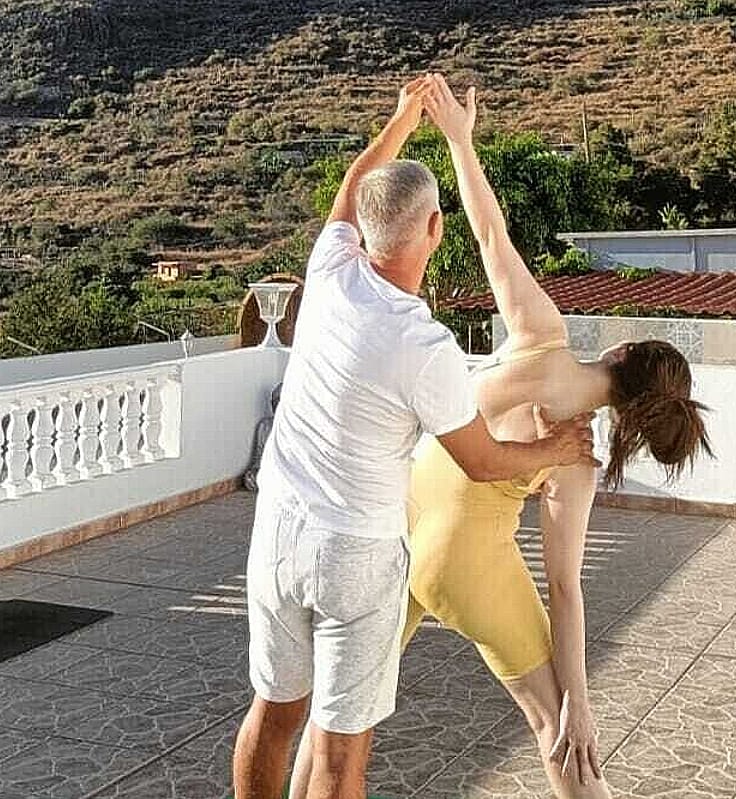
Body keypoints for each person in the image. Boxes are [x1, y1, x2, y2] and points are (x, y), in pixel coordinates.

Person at [292, 74, 711, 798]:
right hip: (465, 560)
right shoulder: (574, 459)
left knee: (333, 720)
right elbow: (564, 589)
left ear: (621, 350)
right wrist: (579, 699)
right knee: (553, 725)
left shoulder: (540, 335)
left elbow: (489, 232)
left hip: (403, 519)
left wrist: (460, 139)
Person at [233, 75, 598, 799]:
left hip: (276, 531)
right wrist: (553, 453)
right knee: (340, 755)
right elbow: (482, 458)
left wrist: (403, 119)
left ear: (363, 230)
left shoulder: (329, 271)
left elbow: (354, 182)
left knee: (273, 716)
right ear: (434, 230)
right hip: (358, 553)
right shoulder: (423, 343)